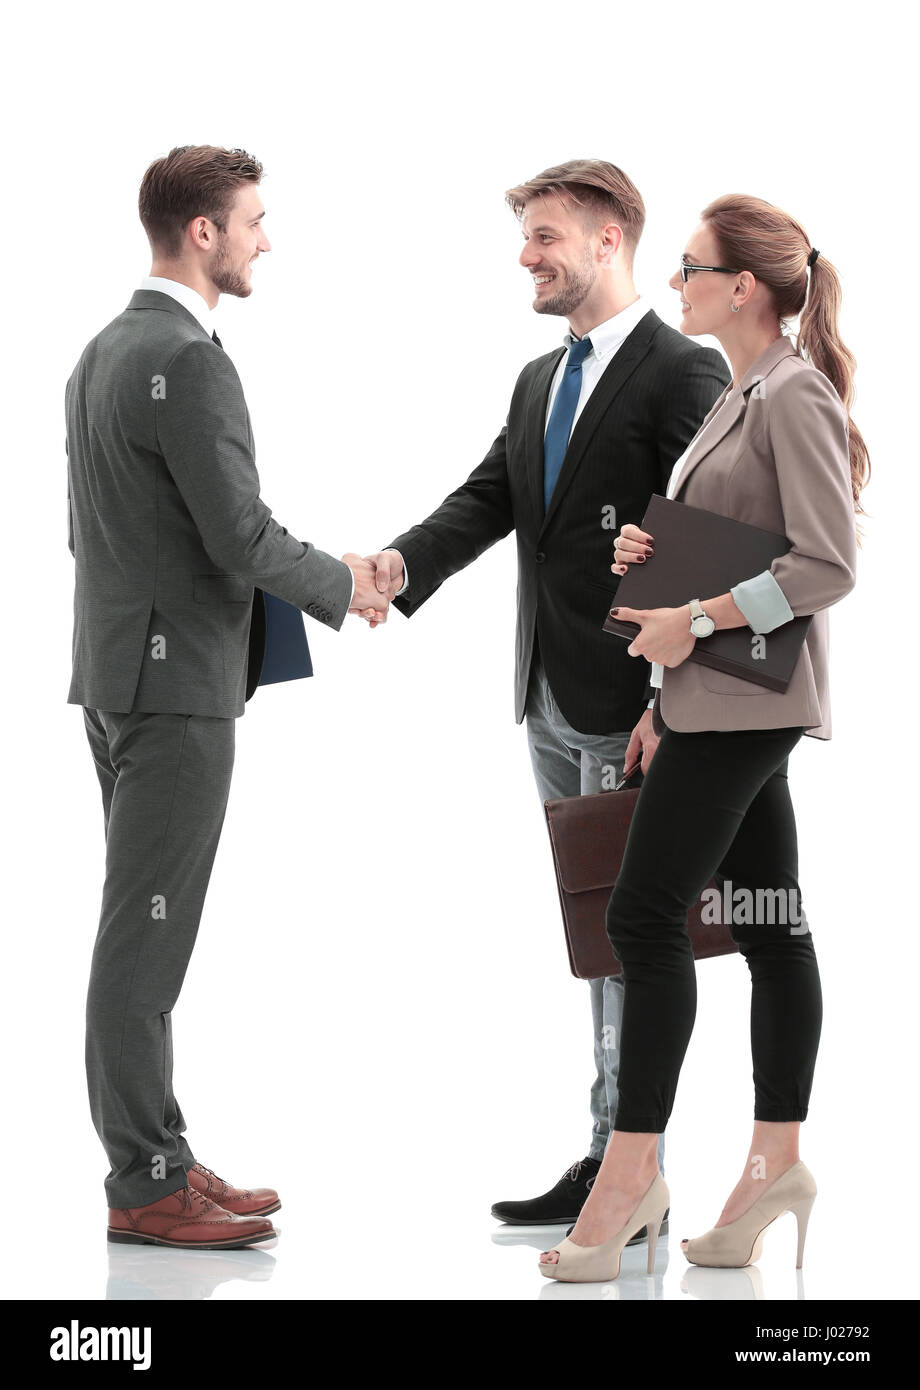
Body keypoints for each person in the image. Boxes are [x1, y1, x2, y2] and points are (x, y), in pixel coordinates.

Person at [359, 160, 729, 1229]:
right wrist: (390, 568)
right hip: (549, 695)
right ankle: (614, 1156)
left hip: (635, 702)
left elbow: (705, 536)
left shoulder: (678, 369)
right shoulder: (537, 379)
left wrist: (671, 695)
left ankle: (631, 1166)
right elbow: (489, 498)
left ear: (609, 240)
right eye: (524, 235)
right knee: (595, 934)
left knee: (640, 933)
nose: (525, 254)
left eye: (544, 235)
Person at [539, 194, 868, 1281]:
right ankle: (773, 1164)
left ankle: (631, 1175)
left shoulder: (794, 394)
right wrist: (653, 562)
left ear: (745, 287)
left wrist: (703, 619)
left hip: (746, 702)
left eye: (688, 267)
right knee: (769, 920)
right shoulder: (739, 396)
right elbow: (732, 547)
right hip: (701, 697)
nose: (672, 282)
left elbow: (824, 566)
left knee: (642, 916)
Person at [66, 144, 386, 1249]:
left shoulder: (103, 351)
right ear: (201, 231)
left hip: (117, 678)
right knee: (144, 940)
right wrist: (347, 584)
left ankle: (160, 1151)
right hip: (174, 694)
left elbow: (97, 533)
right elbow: (236, 534)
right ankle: (145, 1180)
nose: (263, 237)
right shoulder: (186, 358)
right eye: (253, 219)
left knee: (140, 928)